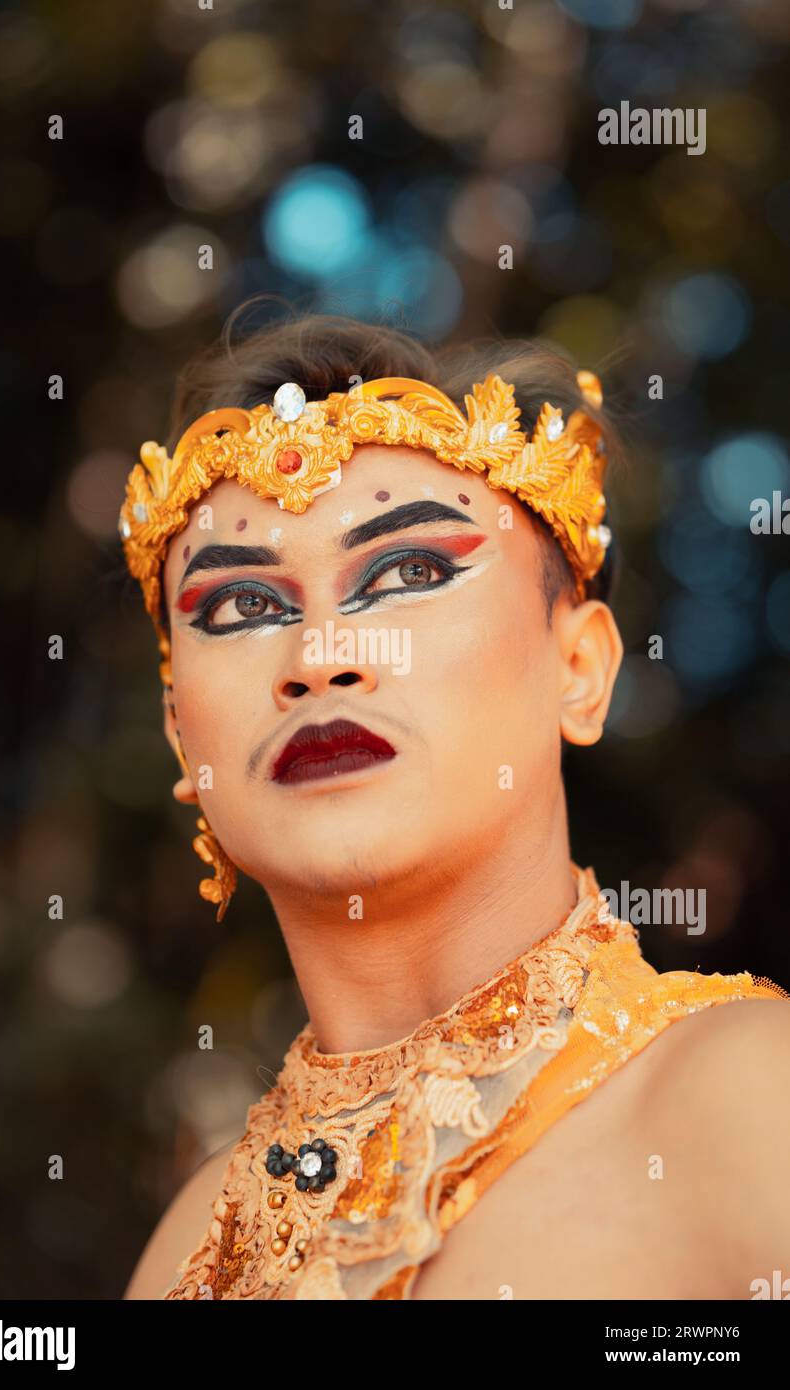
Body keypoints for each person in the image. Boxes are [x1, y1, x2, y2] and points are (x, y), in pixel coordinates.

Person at [121, 312, 789, 1301]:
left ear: (578, 668)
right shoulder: (194, 1239)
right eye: (243, 607)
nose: (319, 659)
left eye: (408, 572)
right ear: (184, 739)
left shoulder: (741, 1094)